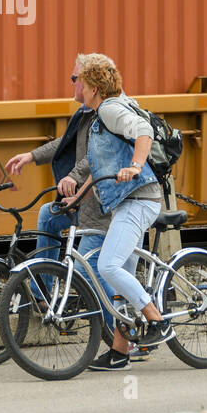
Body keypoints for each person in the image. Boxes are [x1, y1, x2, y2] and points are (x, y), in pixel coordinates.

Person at [70, 54, 173, 372]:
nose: (79, 89)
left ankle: (157, 319)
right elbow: (99, 168)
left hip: (139, 198)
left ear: (95, 88)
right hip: (125, 202)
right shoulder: (101, 113)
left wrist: (135, 166)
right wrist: (77, 199)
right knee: (119, 283)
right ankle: (120, 352)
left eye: (81, 83)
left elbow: (143, 132)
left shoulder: (110, 108)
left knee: (108, 265)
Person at [5, 53, 115, 329]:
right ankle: (45, 291)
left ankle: (120, 338)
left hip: (103, 206)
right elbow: (64, 143)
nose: (72, 83)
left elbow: (95, 158)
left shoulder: (108, 115)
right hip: (84, 198)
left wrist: (73, 177)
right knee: (48, 216)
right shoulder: (85, 112)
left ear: (91, 83)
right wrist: (31, 156)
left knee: (85, 273)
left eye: (74, 78)